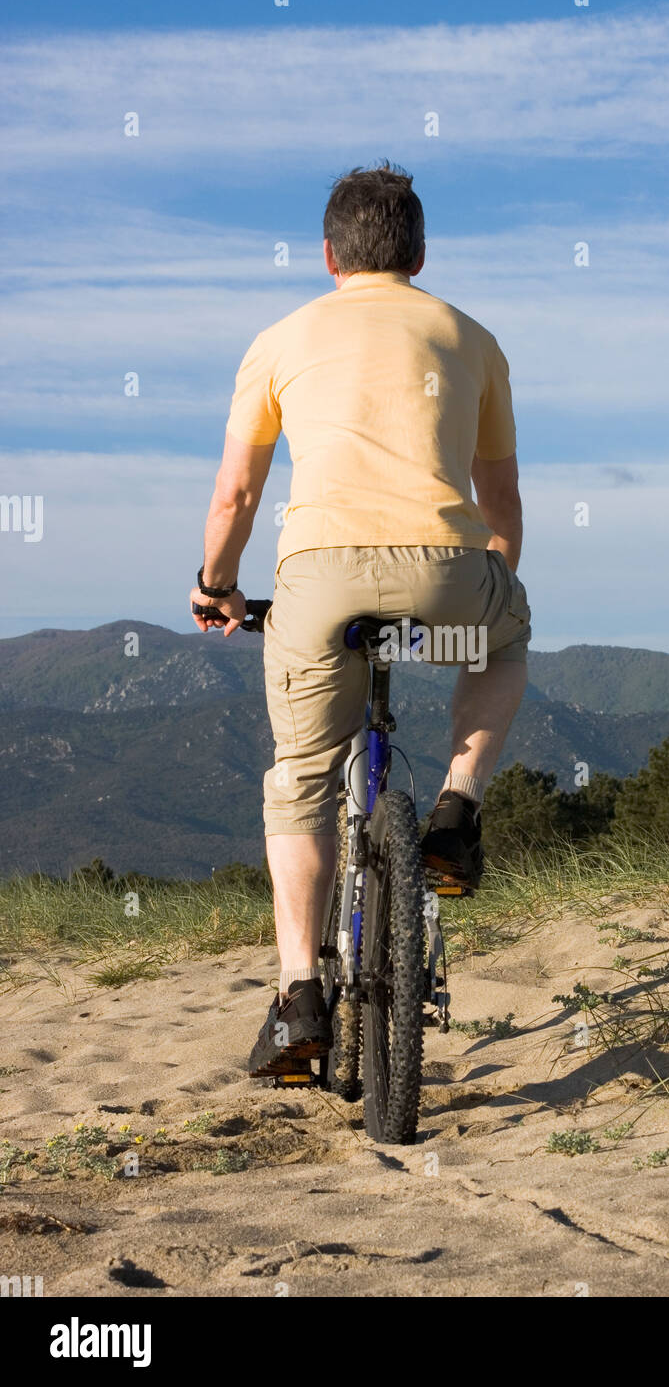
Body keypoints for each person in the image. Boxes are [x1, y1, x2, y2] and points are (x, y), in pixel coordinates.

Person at [189, 161, 530, 1074]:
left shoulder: (281, 339)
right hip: (447, 586)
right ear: (419, 253)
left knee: (301, 775)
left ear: (330, 255)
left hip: (320, 588)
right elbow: (500, 498)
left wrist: (215, 585)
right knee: (506, 638)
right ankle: (456, 809)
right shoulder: (471, 337)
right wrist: (482, 587)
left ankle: (301, 997)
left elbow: (236, 495)